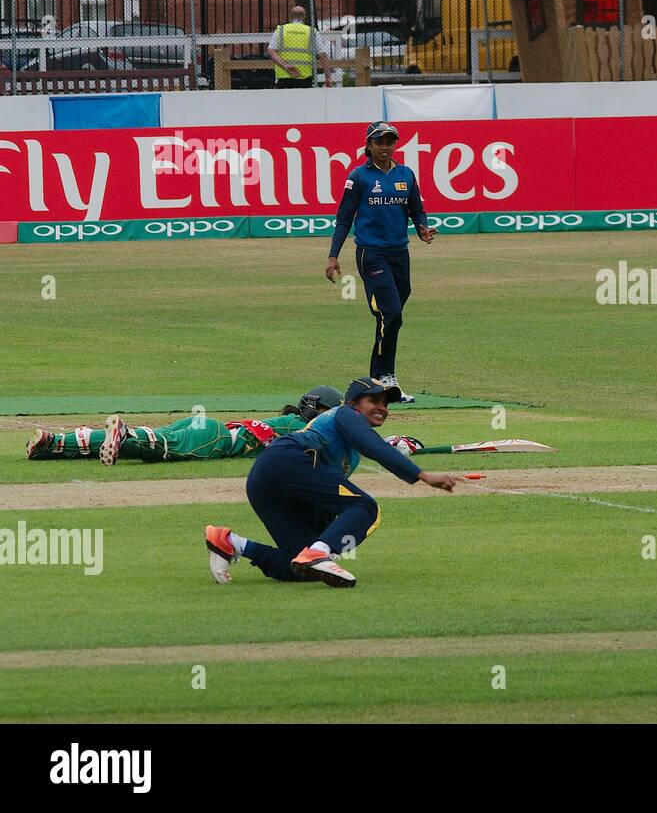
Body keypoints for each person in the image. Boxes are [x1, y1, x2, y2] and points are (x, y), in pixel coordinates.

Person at [204, 377, 457, 588]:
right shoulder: (346, 414)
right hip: (289, 460)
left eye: (385, 403)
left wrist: (322, 537)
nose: (382, 407)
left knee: (298, 564)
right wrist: (423, 476)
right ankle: (319, 553)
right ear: (353, 404)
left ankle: (231, 542)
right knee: (365, 508)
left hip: (267, 478)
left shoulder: (351, 451)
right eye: (374, 401)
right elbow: (374, 446)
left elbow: (324, 500)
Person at [326, 121, 436, 403]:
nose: (385, 147)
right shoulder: (359, 177)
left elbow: (416, 209)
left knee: (390, 317)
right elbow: (344, 218)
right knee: (392, 314)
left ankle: (376, 382)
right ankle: (387, 378)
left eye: (389, 142)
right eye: (379, 142)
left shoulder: (406, 174)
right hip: (371, 253)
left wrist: (422, 228)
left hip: (400, 253)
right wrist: (333, 255)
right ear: (369, 145)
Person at [25, 386, 343, 465]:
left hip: (206, 425)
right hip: (217, 440)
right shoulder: (299, 427)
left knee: (154, 437)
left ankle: (52, 443)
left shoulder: (289, 420)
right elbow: (327, 448)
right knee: (160, 448)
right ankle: (125, 432)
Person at [268, 4, 330, 89]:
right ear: (304, 16)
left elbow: (271, 51)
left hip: (284, 77)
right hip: (304, 79)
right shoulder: (311, 32)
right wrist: (328, 77)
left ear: (291, 16)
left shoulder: (281, 30)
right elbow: (323, 55)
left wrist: (286, 65)